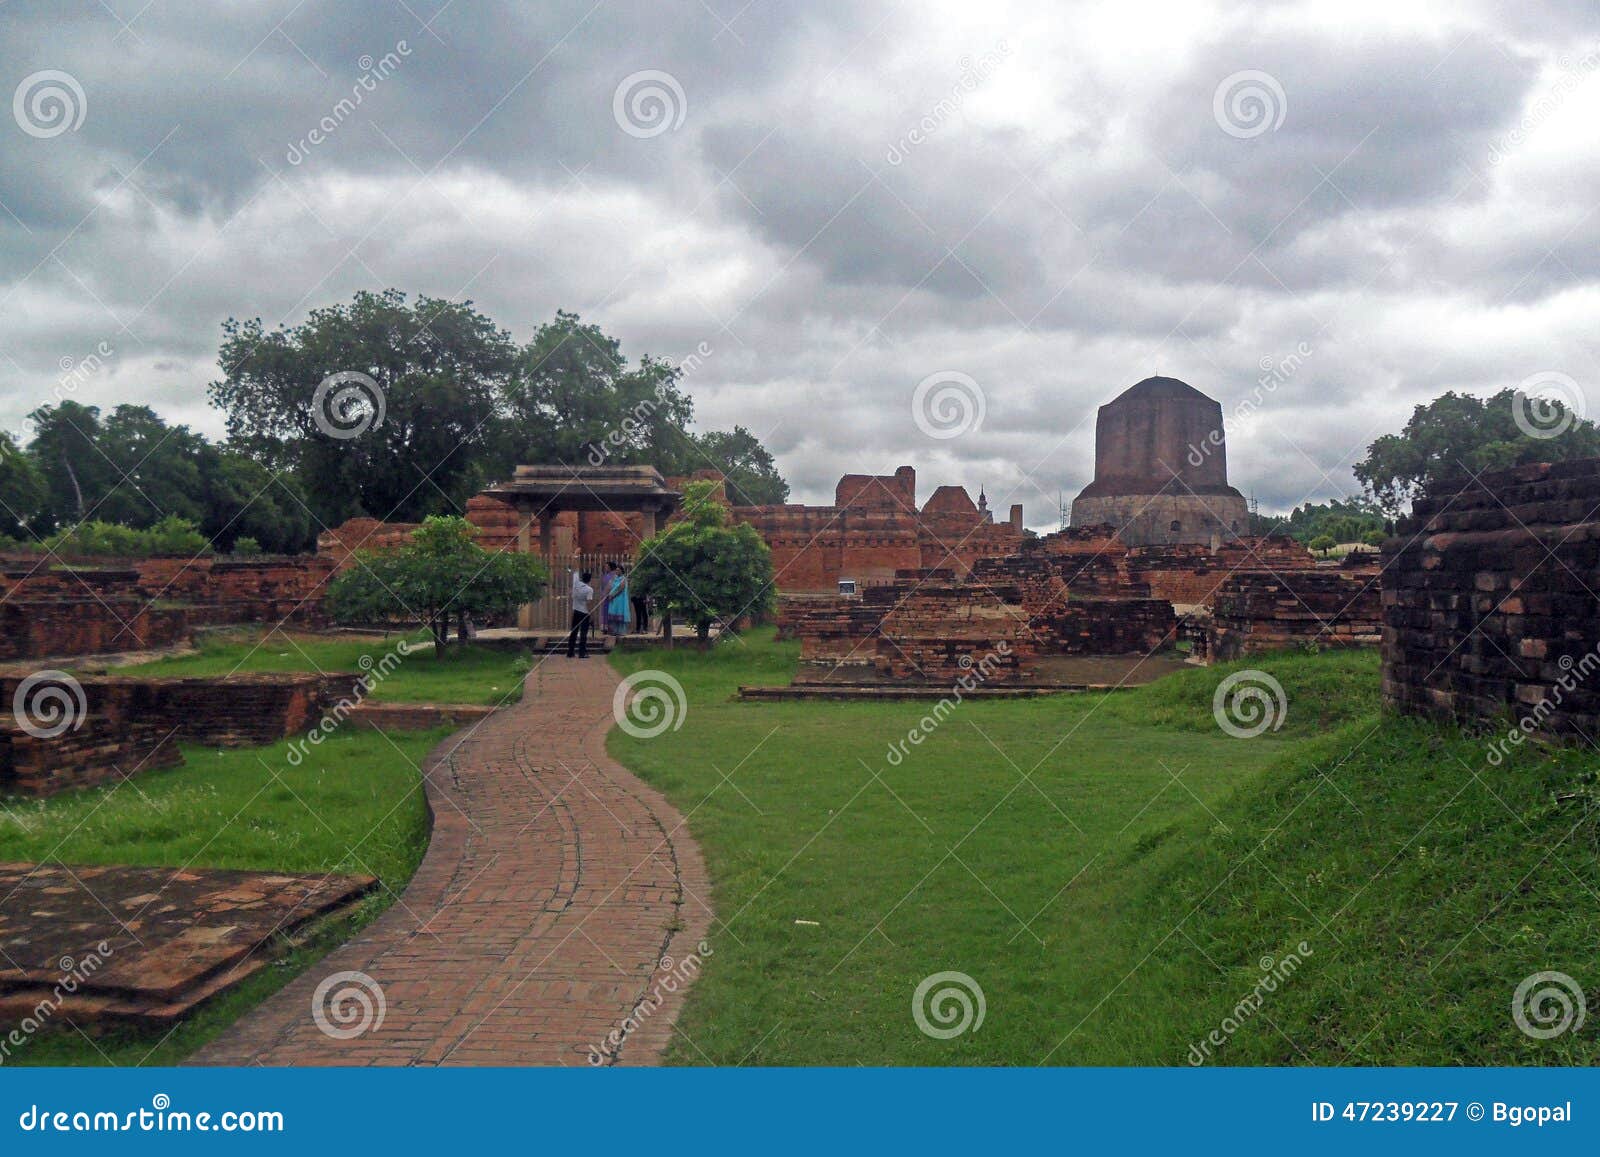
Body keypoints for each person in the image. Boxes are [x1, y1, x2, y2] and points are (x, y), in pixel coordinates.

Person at [567, 569, 594, 658]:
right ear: (590, 580)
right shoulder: (589, 589)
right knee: (583, 633)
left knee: (574, 632)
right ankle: (581, 653)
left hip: (576, 611)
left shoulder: (576, 585)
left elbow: (575, 575)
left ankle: (570, 652)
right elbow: (589, 603)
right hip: (584, 613)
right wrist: (591, 614)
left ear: (582, 578)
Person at [605, 564, 631, 638]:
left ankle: (621, 631)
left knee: (619, 612)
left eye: (618, 570)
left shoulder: (623, 579)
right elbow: (609, 586)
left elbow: (621, 588)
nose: (616, 571)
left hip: (620, 599)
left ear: (622, 571)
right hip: (613, 599)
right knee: (613, 613)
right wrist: (608, 594)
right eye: (616, 570)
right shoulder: (614, 578)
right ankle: (613, 631)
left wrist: (612, 595)